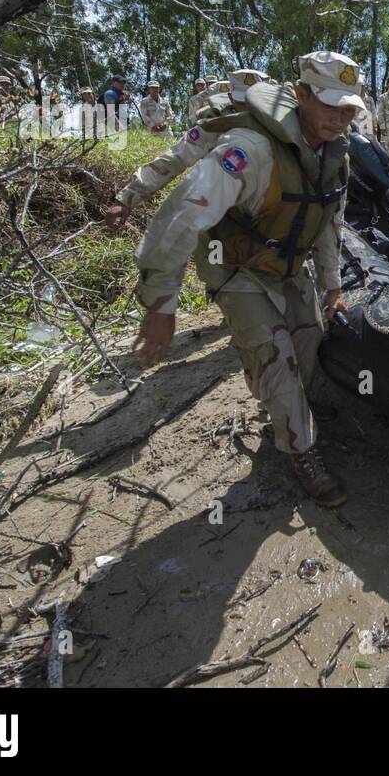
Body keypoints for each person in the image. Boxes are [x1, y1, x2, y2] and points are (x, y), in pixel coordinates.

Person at [133, 51, 363, 507]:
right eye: (331, 105)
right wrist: (161, 306)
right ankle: (301, 451)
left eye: (349, 108)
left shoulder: (337, 155)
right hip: (236, 265)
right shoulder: (248, 150)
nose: (341, 118)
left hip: (289, 263)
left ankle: (287, 411)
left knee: (308, 339)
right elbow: (182, 220)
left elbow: (328, 223)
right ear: (300, 95)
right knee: (273, 353)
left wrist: (332, 285)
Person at [105, 69, 265, 230]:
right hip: (231, 217)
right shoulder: (215, 126)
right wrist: (127, 199)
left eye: (251, 101)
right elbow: (175, 157)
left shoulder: (282, 125)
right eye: (242, 102)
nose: (246, 108)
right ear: (230, 98)